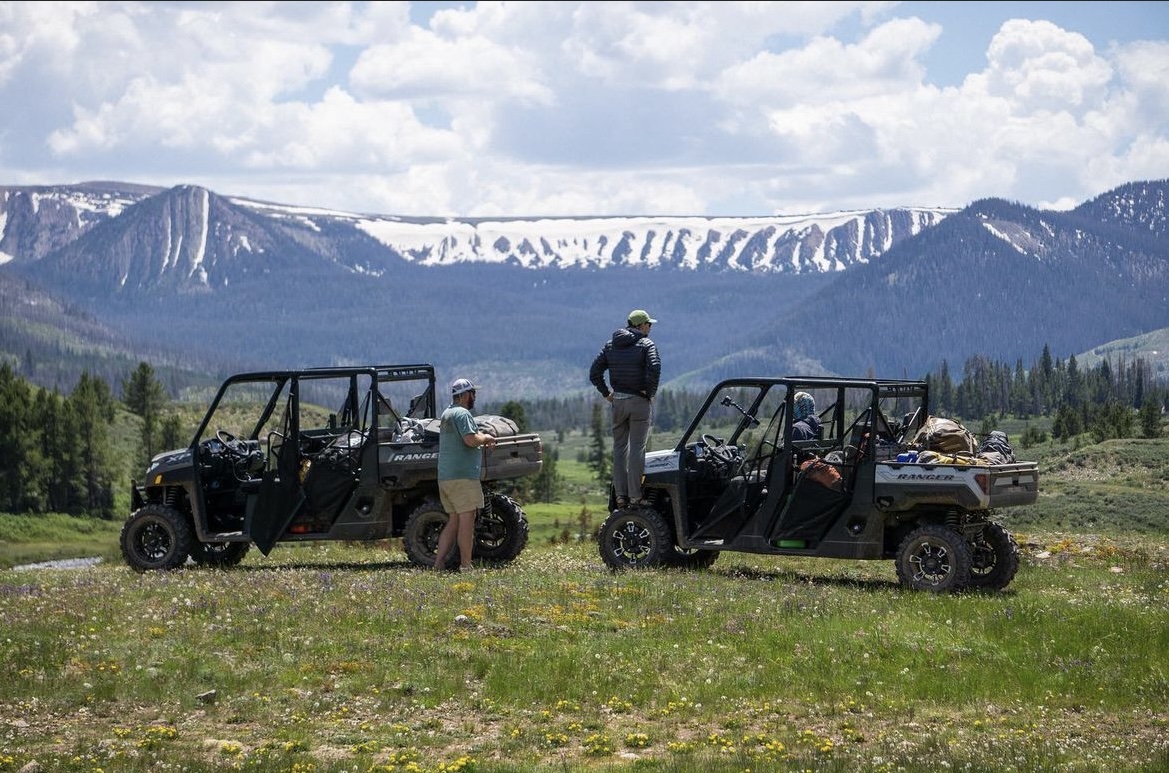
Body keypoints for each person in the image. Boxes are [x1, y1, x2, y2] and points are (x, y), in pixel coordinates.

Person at [589, 309, 661, 509]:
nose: (650, 328)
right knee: (637, 448)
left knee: (619, 449)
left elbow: (594, 372)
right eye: (649, 324)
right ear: (641, 326)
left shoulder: (611, 345)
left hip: (618, 402)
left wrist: (606, 393)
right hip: (639, 402)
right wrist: (650, 392)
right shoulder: (647, 344)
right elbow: (654, 368)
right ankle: (636, 496)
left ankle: (620, 496)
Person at [434, 377, 497, 571]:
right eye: (472, 393)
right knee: (466, 522)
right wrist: (486, 437)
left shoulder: (447, 413)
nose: (474, 397)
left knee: (453, 521)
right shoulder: (462, 414)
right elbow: (470, 440)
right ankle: (466, 566)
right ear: (463, 396)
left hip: (446, 477)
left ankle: (438, 564)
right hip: (462, 478)